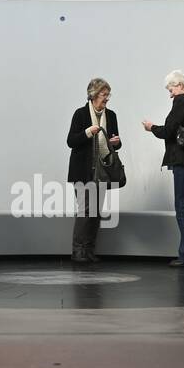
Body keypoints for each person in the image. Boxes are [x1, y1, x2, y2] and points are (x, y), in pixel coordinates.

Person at [142, 70, 184, 267]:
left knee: (183, 208)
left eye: (171, 89)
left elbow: (167, 130)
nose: (170, 94)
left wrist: (152, 128)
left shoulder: (182, 100)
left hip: (183, 161)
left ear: (181, 85)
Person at [66, 78, 121, 263]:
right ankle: (77, 251)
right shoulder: (80, 114)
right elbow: (71, 141)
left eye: (108, 94)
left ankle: (89, 250)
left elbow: (116, 143)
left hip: (102, 170)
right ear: (93, 95)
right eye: (103, 94)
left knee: (96, 211)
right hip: (82, 170)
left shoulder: (111, 115)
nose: (107, 98)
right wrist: (89, 132)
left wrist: (116, 142)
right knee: (86, 210)